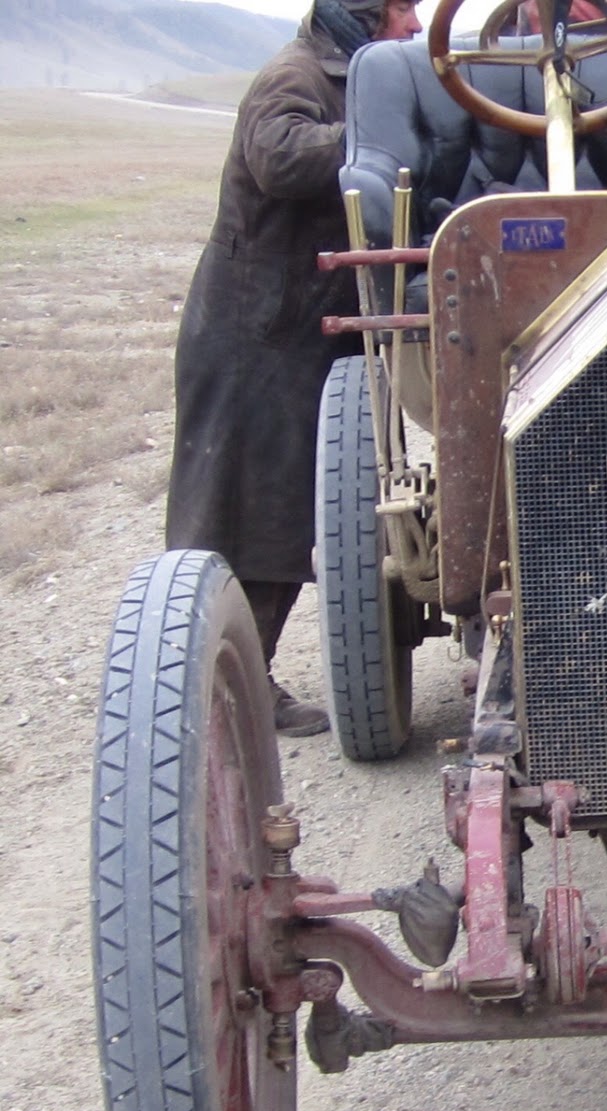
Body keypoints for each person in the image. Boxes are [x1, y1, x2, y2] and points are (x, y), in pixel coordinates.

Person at [165, 0, 422, 736]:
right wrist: (379, 136)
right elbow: (277, 157)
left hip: (298, 329)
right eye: (401, 9)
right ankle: (213, 691)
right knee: (236, 517)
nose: (411, 24)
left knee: (284, 517)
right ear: (362, 15)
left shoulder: (345, 72)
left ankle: (231, 681)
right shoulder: (296, 75)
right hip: (257, 336)